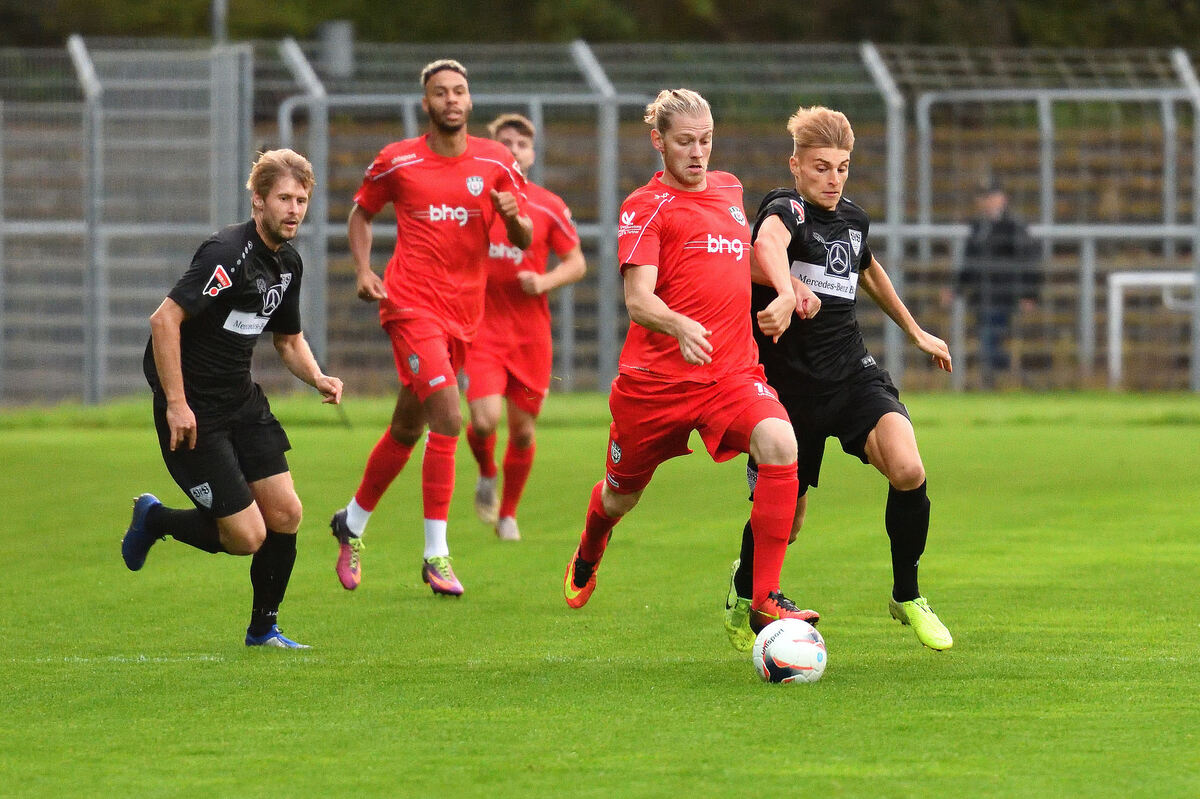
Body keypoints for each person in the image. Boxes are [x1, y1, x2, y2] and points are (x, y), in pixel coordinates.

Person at [562, 89, 822, 634]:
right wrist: (678, 324)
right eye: (685, 142)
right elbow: (639, 298)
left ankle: (764, 596)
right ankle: (590, 546)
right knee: (618, 496)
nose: (698, 152)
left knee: (781, 444)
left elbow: (737, 260)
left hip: (729, 373)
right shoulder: (644, 206)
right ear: (658, 141)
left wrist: (786, 284)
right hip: (654, 385)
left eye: (706, 140)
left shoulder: (729, 189)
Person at [722, 106, 955, 653]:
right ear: (796, 165)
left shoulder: (852, 218)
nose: (832, 179)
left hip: (852, 375)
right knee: (789, 523)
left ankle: (908, 595)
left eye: (842, 167)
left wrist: (916, 331)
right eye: (821, 167)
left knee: (908, 467)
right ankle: (743, 589)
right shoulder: (785, 209)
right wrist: (784, 292)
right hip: (787, 393)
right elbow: (766, 245)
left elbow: (867, 268)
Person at [121, 149, 343, 649]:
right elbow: (164, 320)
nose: (294, 209)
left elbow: (288, 340)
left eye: (301, 199)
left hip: (241, 402)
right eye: (284, 198)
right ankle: (155, 518)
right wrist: (176, 403)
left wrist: (318, 377)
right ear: (259, 200)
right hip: (195, 412)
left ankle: (263, 630)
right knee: (246, 537)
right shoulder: (227, 253)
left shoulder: (288, 262)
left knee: (285, 514)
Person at [328, 59, 531, 596]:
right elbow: (361, 213)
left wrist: (512, 216)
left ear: (470, 100)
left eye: (459, 91)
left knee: (406, 429)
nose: (450, 100)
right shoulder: (398, 161)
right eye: (440, 92)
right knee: (447, 416)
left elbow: (526, 237)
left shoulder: (496, 161)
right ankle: (435, 555)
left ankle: (350, 522)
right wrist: (364, 270)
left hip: (465, 315)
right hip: (410, 305)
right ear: (427, 103)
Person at [463, 113, 587, 542]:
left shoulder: (549, 205)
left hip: (530, 335)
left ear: (532, 154)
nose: (513, 149)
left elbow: (577, 262)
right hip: (482, 328)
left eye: (521, 143)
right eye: (505, 142)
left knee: (523, 431)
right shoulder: (476, 199)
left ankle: (508, 515)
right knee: (483, 421)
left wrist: (545, 281)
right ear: (493, 150)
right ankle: (486, 471)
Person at [953, 180, 1041, 388]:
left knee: (991, 337)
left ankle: (999, 377)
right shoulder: (977, 228)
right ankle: (1000, 378)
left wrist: (1029, 294)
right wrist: (957, 289)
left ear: (1002, 199)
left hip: (1006, 295)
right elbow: (969, 263)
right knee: (989, 337)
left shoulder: (1015, 226)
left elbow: (1029, 261)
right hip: (983, 295)